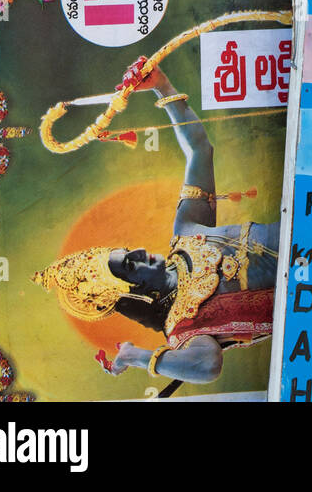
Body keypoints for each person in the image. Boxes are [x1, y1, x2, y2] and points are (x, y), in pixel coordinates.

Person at [33, 59, 278, 386]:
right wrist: (141, 357)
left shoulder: (186, 232)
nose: (138, 252)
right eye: (130, 266)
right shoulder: (183, 328)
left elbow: (199, 150)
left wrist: (163, 86)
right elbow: (208, 367)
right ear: (134, 294)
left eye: (126, 251)